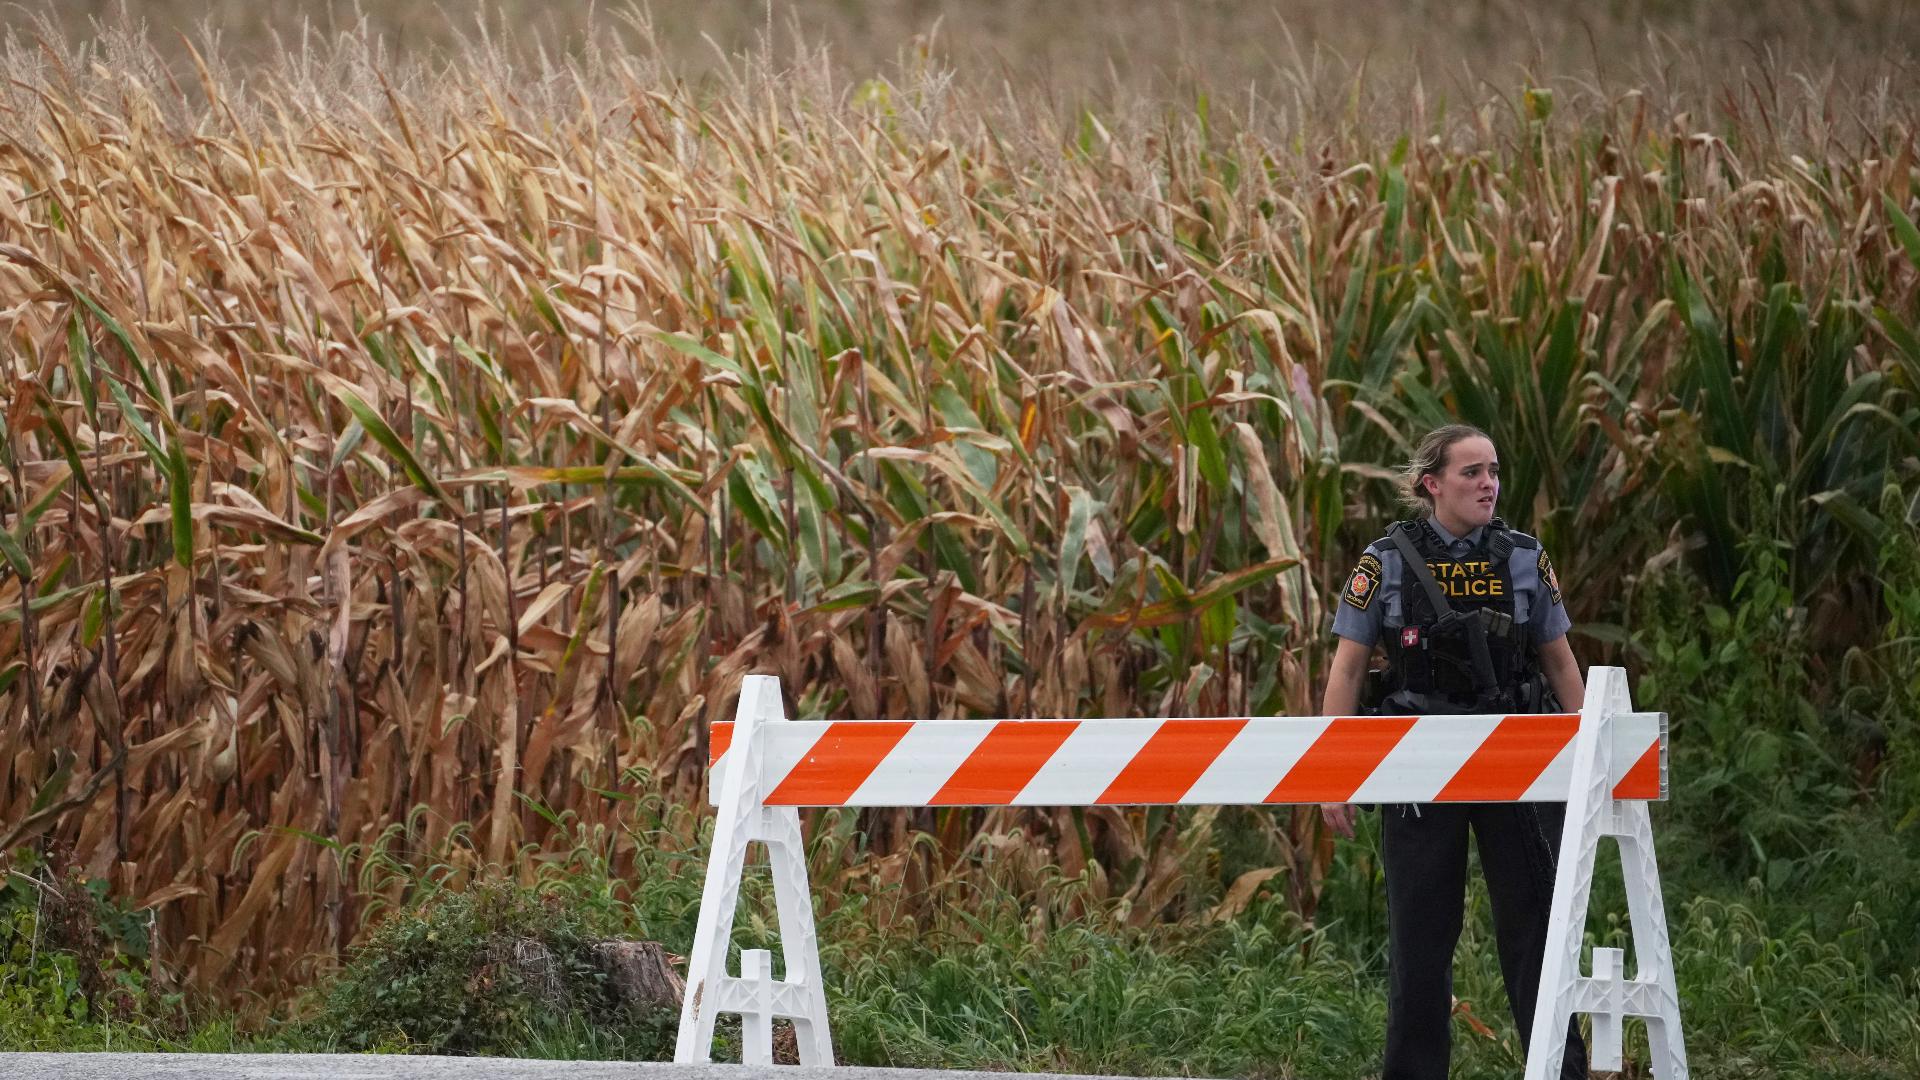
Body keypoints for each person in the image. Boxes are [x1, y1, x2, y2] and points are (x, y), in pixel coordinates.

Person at [1318, 424, 1589, 1080]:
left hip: (1518, 766)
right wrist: (1334, 776)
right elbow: (1347, 670)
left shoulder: (1524, 557)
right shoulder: (1384, 562)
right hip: (1418, 767)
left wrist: (1589, 763)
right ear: (1431, 484)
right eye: (1471, 472)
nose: (1488, 484)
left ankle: (1561, 1073)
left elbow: (1560, 663)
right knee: (1420, 941)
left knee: (1536, 935)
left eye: (1494, 471)